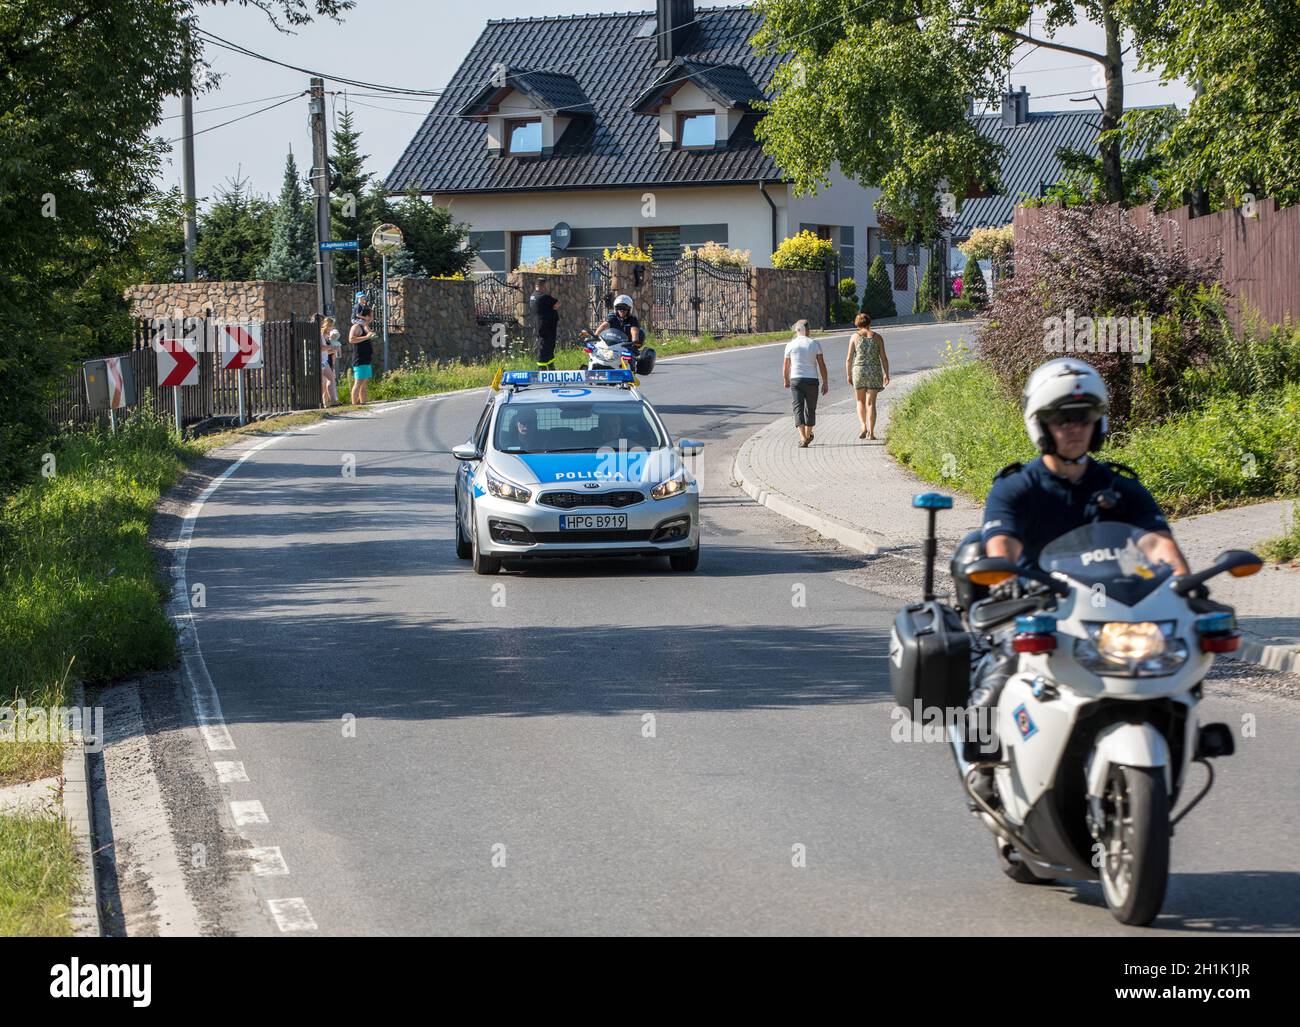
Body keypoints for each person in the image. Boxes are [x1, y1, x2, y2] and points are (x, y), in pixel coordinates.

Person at [963, 357, 1190, 790]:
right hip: (1037, 605)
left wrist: (1183, 584)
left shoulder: (1119, 486)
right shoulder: (1015, 487)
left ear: (1097, 423)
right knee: (1000, 672)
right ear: (1041, 425)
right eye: (1062, 419)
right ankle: (987, 767)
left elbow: (1156, 543)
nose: (1074, 428)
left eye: (1083, 418)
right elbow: (1003, 545)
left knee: (1177, 668)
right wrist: (1007, 574)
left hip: (1114, 608)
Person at [782, 319, 829, 448]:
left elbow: (786, 365)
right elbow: (821, 364)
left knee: (798, 408)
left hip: (796, 379)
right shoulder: (814, 344)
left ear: (797, 330)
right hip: (812, 380)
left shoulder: (790, 345)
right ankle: (807, 436)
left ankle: (803, 437)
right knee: (811, 408)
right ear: (808, 330)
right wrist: (825, 382)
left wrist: (786, 380)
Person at [844, 312, 890, 440]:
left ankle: (863, 426)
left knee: (860, 401)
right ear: (869, 322)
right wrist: (886, 373)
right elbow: (884, 358)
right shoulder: (878, 337)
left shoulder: (854, 337)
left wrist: (848, 374)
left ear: (857, 324)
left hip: (859, 370)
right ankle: (872, 433)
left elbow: (849, 358)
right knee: (871, 404)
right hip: (874, 371)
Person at [530, 278, 560, 370]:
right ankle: (542, 365)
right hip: (547, 326)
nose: (546, 288)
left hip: (540, 325)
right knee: (546, 345)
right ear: (542, 286)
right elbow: (557, 303)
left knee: (546, 344)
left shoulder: (533, 296)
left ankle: (550, 364)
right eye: (545, 286)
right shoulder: (544, 297)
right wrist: (553, 308)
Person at [349, 306, 377, 405]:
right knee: (358, 382)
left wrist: (370, 334)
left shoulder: (365, 326)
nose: (372, 318)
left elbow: (370, 335)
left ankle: (363, 403)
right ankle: (354, 404)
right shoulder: (356, 327)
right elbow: (351, 339)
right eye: (371, 315)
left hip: (366, 358)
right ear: (365, 316)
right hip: (359, 358)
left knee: (364, 382)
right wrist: (366, 337)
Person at [319, 317, 342, 407]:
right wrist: (331, 348)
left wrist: (333, 350)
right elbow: (320, 347)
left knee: (330, 379)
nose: (332, 328)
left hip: (324, 361)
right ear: (327, 325)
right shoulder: (321, 334)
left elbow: (324, 350)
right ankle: (325, 401)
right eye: (331, 326)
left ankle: (332, 401)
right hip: (321, 361)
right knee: (324, 381)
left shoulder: (324, 335)